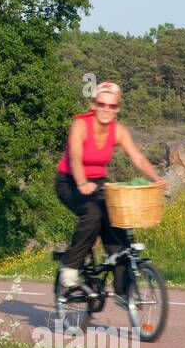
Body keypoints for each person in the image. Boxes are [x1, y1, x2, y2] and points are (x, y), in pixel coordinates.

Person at [54, 82, 166, 293]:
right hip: (69, 181)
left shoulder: (118, 131)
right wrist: (82, 183)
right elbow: (76, 157)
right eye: (102, 104)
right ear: (94, 105)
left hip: (98, 182)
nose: (106, 109)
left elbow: (138, 158)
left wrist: (156, 179)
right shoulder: (80, 125)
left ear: (118, 108)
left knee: (116, 222)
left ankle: (124, 287)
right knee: (93, 213)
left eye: (111, 106)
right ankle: (70, 265)